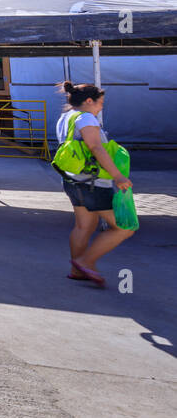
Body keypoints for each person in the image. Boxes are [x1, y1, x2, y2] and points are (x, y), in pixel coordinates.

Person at [55, 81, 134, 287]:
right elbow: (96, 148)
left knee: (84, 225)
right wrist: (119, 177)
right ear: (89, 101)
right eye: (100, 103)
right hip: (93, 182)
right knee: (124, 227)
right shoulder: (86, 118)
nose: (101, 108)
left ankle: (77, 271)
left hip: (73, 179)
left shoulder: (66, 118)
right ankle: (86, 261)